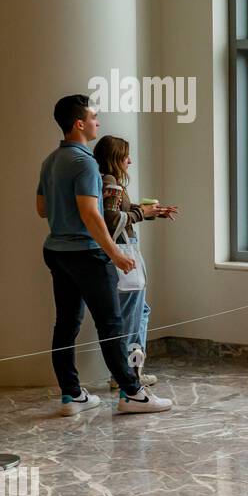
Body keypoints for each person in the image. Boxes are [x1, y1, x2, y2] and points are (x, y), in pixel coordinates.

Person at [36, 95, 172, 416]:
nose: (99, 122)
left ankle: (72, 395)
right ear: (79, 124)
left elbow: (42, 208)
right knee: (111, 325)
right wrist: (115, 254)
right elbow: (91, 214)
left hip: (56, 250)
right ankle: (132, 393)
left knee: (66, 324)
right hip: (86, 254)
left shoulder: (51, 160)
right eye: (95, 117)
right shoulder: (85, 163)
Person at [93, 135, 179, 390]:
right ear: (115, 158)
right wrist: (143, 213)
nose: (129, 161)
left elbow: (118, 213)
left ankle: (128, 371)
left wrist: (150, 212)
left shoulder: (107, 182)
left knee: (138, 312)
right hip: (123, 252)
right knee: (132, 315)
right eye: (125, 156)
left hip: (122, 251)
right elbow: (110, 220)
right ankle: (127, 374)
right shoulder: (111, 183)